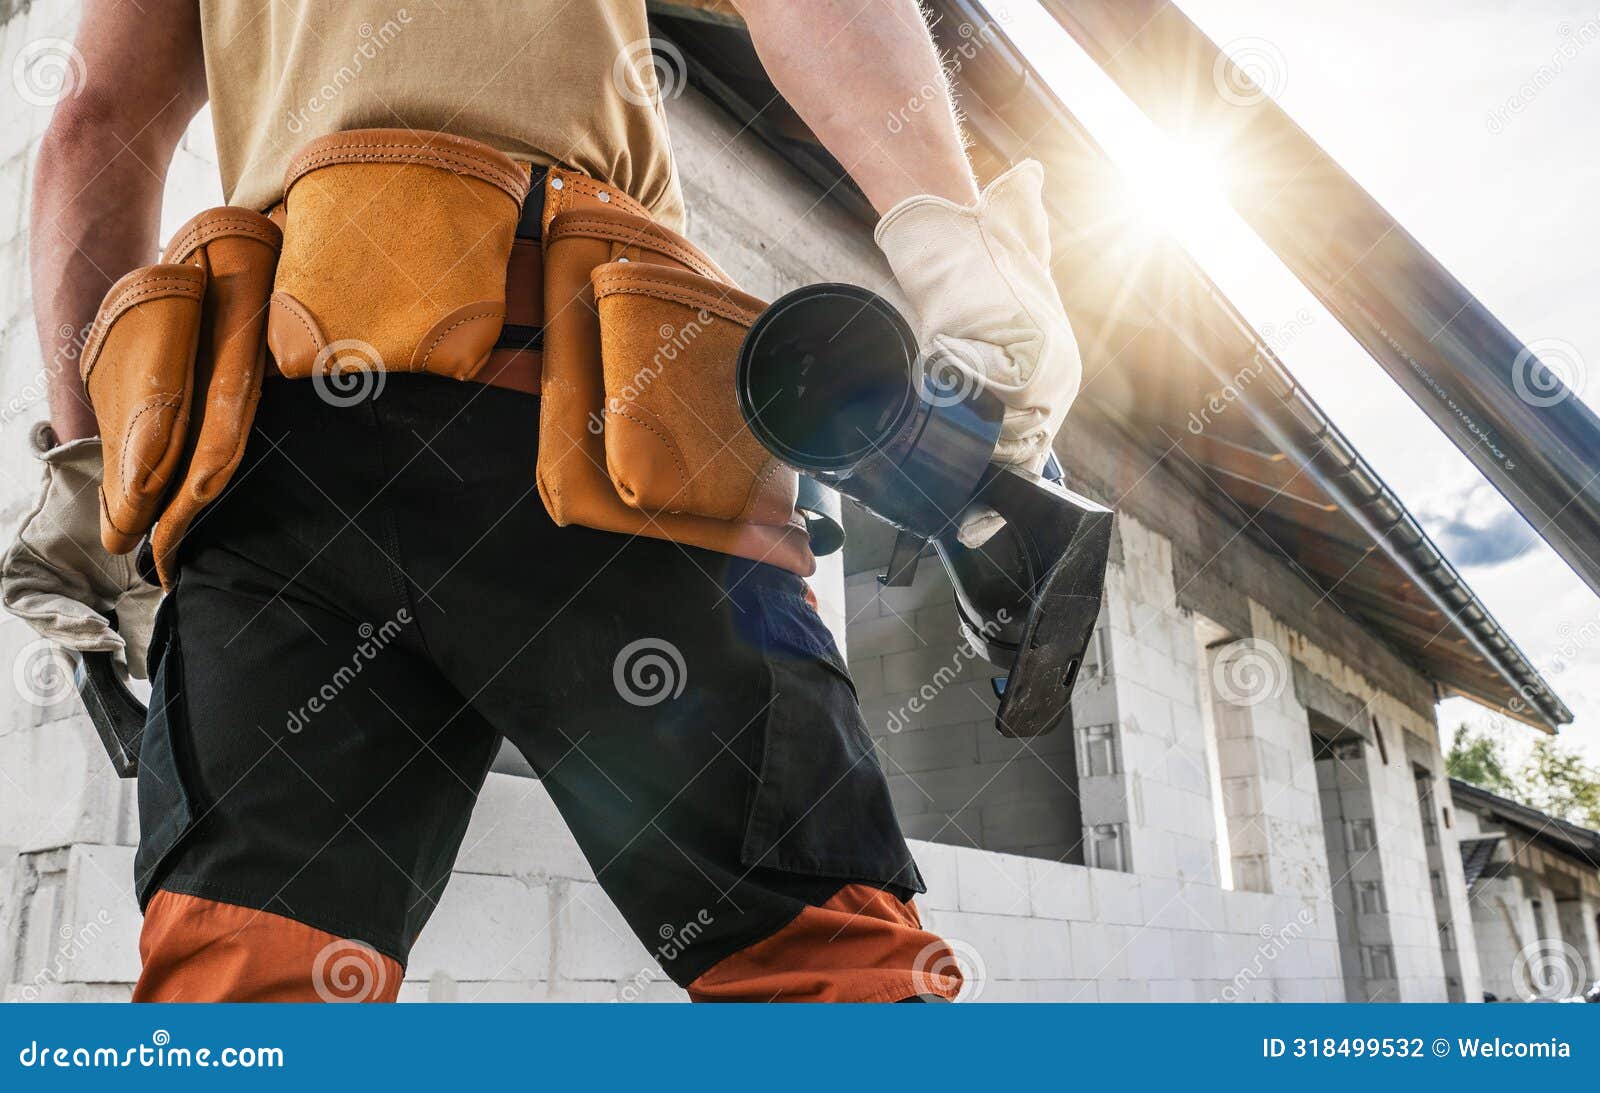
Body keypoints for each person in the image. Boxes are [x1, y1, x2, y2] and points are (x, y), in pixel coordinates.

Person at [4, 0, 1081, 1002]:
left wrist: (103, 468)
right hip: (593, 420)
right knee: (823, 962)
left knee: (239, 988)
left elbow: (94, 128)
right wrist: (955, 245)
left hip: (274, 459)